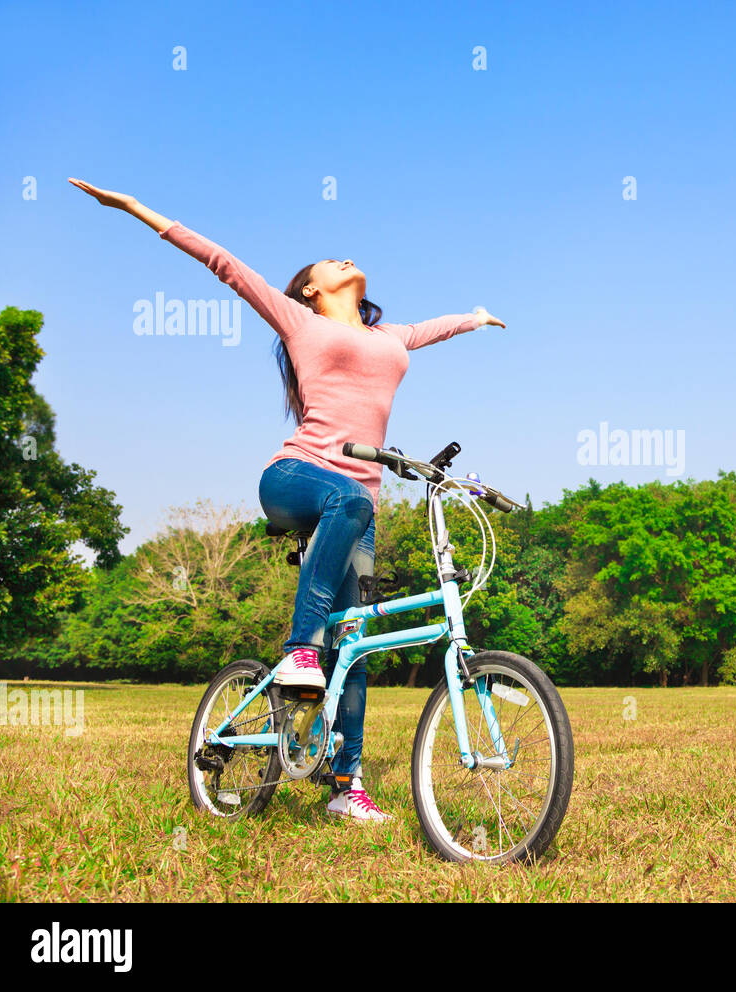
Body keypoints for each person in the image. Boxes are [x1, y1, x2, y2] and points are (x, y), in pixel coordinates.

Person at [69, 178, 505, 822]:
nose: (347, 259)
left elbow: (431, 329)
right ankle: (300, 648)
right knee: (346, 523)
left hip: (355, 508)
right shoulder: (298, 319)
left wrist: (473, 318)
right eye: (333, 260)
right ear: (310, 289)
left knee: (354, 640)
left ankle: (343, 784)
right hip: (296, 479)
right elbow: (222, 262)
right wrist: (134, 208)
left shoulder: (392, 339)